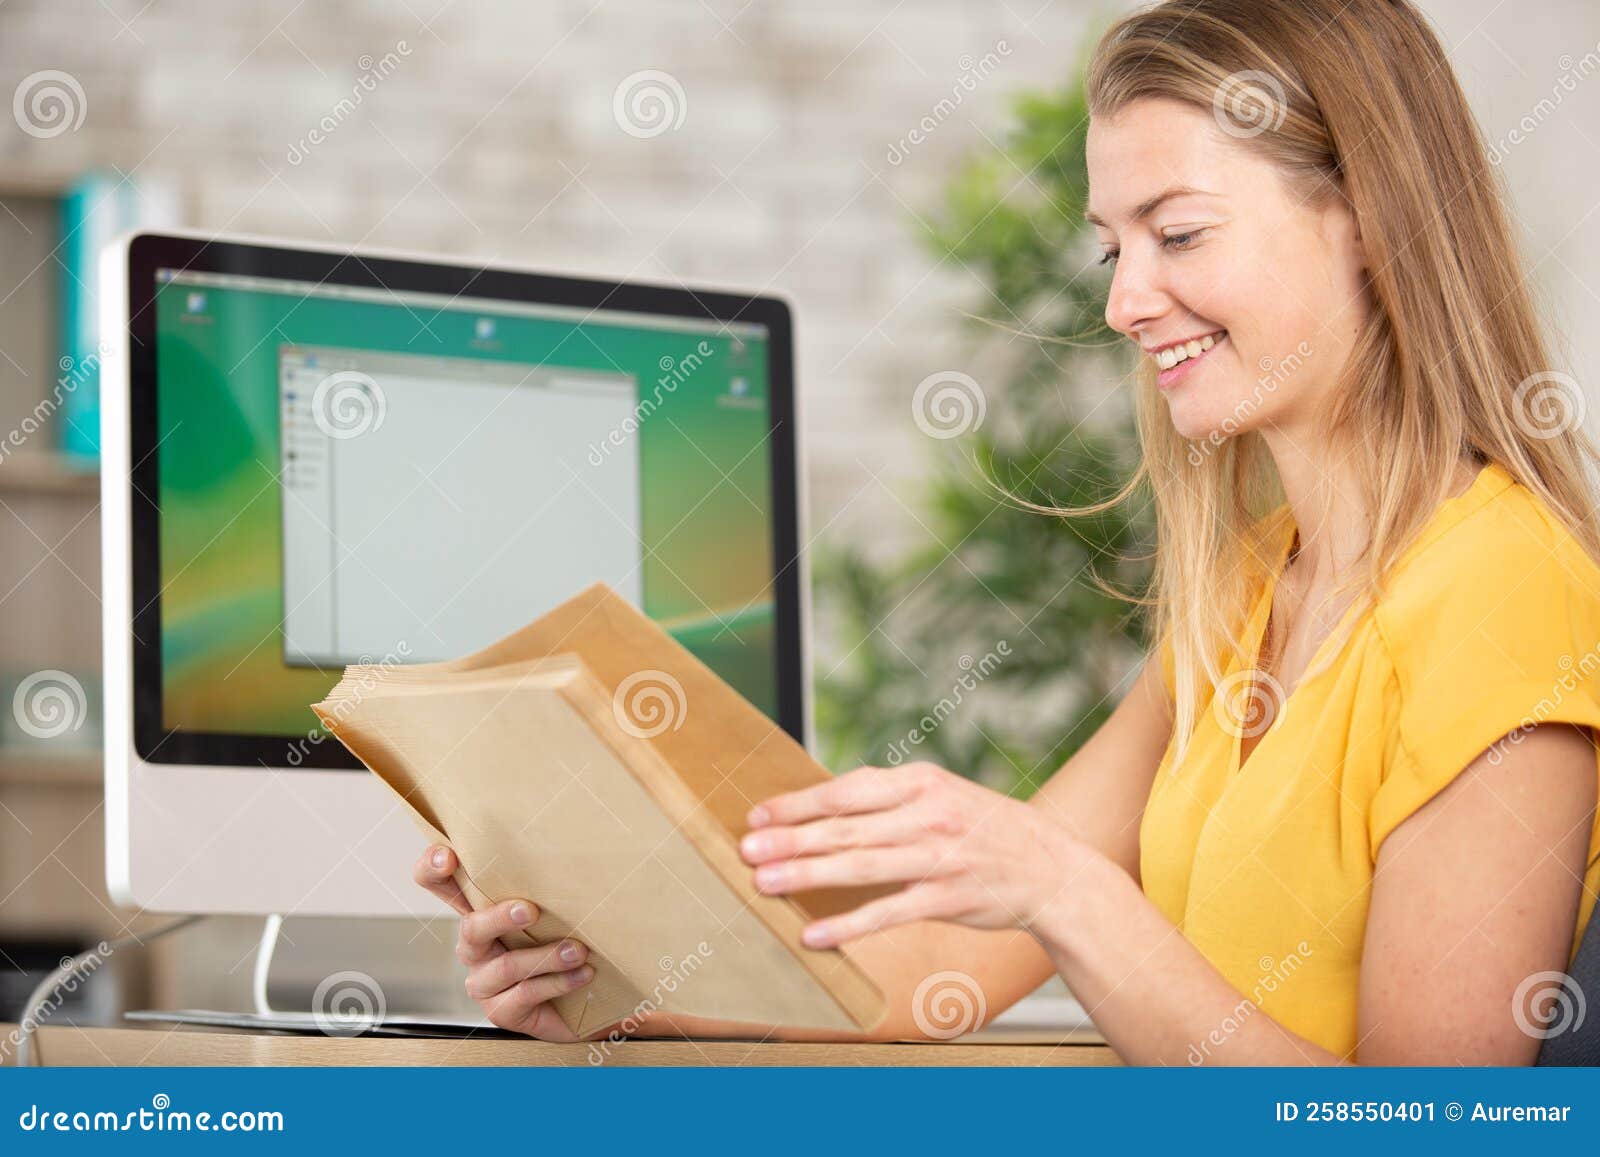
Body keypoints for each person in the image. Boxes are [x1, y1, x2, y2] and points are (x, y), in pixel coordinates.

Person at [415, 0, 1600, 1063]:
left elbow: (1431, 1129)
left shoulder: (1509, 596)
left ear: (1370, 223)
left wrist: (1065, 893)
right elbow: (942, 965)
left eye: (1178, 234)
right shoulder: (1250, 585)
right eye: (1112, 246)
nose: (1123, 299)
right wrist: (607, 972)